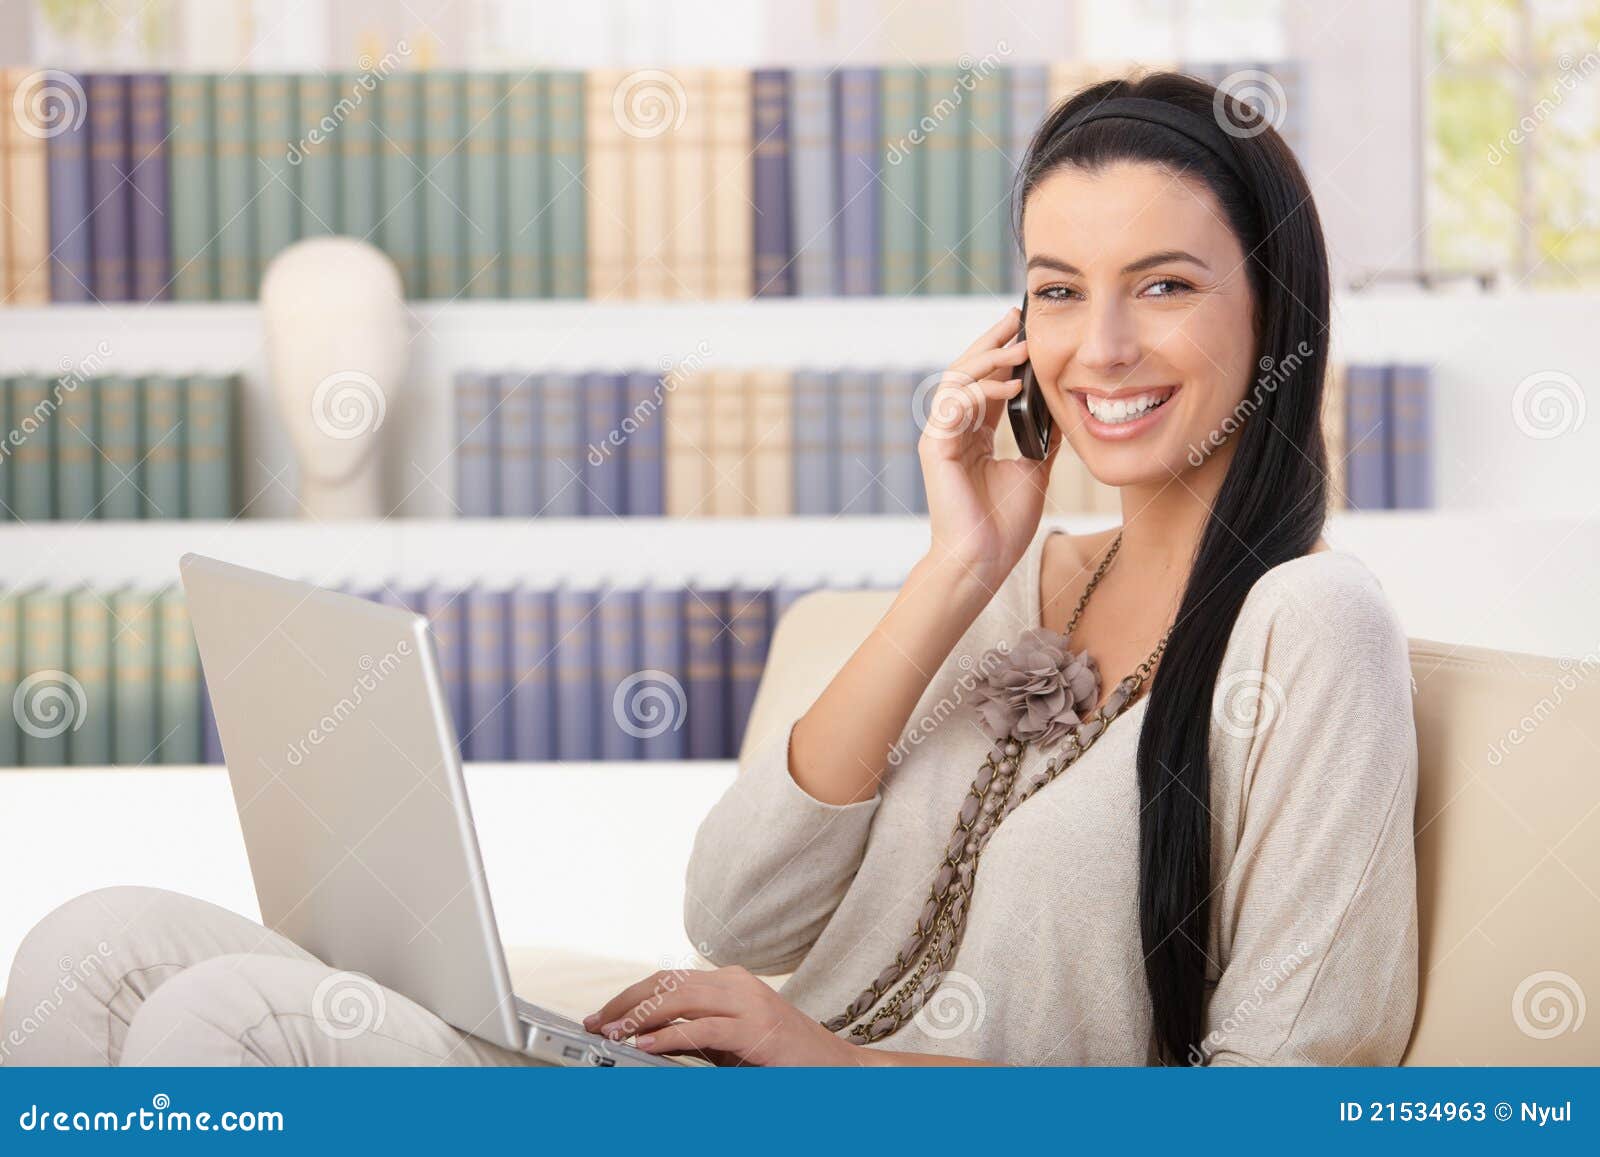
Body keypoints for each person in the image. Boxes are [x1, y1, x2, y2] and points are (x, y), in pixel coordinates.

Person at [1, 70, 1417, 1068]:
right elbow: (740, 914)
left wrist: (826, 1069)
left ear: (1272, 307)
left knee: (220, 1031)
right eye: (1057, 288)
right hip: (710, 1097)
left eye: (1162, 284)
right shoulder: (1007, 582)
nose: (1096, 348)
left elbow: (1287, 1099)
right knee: (92, 940)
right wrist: (955, 566)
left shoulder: (1309, 623)